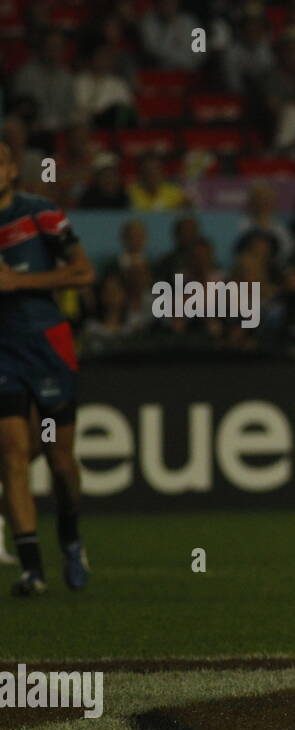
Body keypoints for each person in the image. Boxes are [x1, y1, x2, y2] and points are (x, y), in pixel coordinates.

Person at [0, 143, 94, 595]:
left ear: (12, 169)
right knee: (13, 455)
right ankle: (32, 571)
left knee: (59, 460)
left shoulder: (39, 214)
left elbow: (83, 272)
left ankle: (72, 541)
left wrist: (20, 281)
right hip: (3, 352)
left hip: (47, 347)